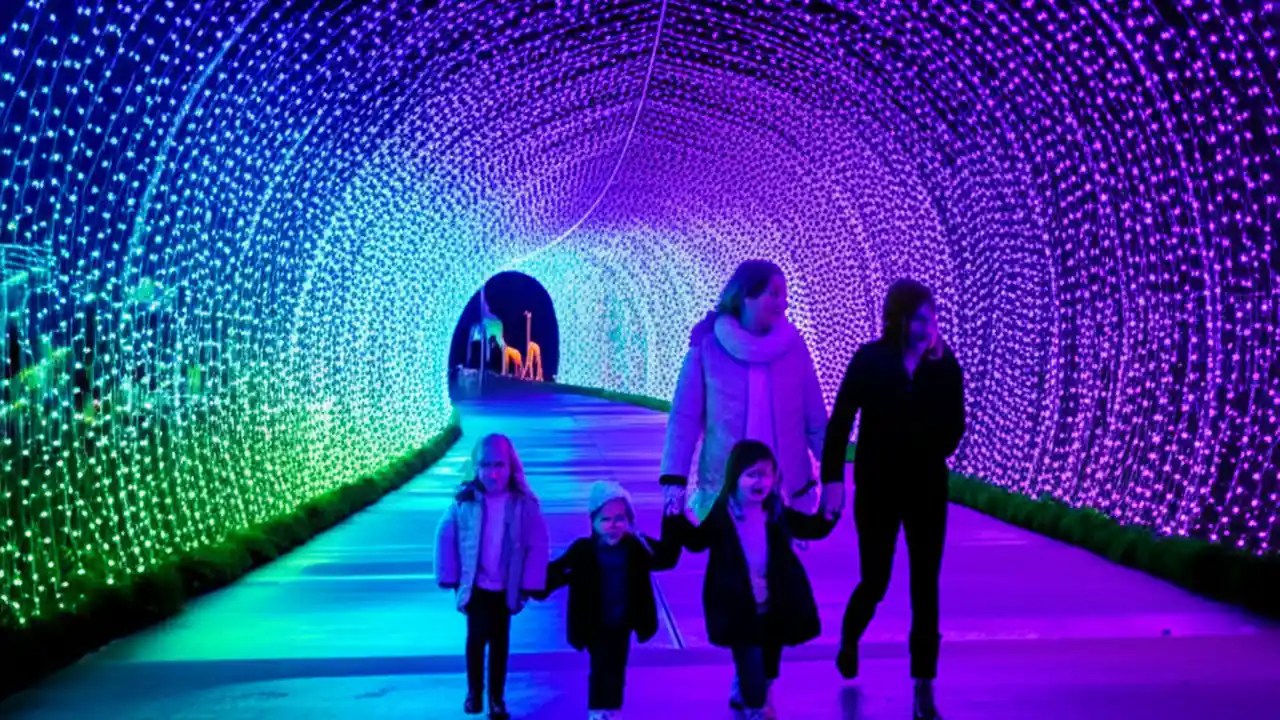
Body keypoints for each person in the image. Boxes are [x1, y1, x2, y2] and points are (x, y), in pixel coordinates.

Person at [818, 279, 966, 720]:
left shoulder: (944, 366)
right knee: (876, 580)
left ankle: (924, 685)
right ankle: (850, 635)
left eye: (933, 318)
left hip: (926, 487)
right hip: (878, 486)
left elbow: (956, 426)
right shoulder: (871, 360)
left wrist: (928, 439)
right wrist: (832, 480)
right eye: (921, 318)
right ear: (900, 319)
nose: (929, 326)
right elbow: (841, 420)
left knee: (926, 584)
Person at [665, 440, 836, 720]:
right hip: (737, 606)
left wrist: (829, 514)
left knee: (768, 665)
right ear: (736, 478)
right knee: (751, 664)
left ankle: (748, 691)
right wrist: (674, 518)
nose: (760, 481)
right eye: (752, 474)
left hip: (773, 604)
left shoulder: (776, 513)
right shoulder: (723, 515)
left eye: (766, 473)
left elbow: (808, 527)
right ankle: (756, 708)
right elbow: (697, 541)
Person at [659, 259, 829, 520]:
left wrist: (832, 478)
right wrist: (674, 481)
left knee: (779, 560)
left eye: (785, 295)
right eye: (773, 293)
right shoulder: (708, 347)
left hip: (786, 489)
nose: (783, 303)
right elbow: (685, 418)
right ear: (746, 295)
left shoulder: (794, 347)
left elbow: (815, 418)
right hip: (726, 489)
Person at [536, 480, 682, 720]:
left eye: (619, 518)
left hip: (622, 622)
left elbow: (665, 558)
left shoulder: (636, 547)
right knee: (601, 667)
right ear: (593, 522)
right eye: (605, 519)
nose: (613, 525)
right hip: (594, 623)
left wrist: (673, 513)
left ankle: (611, 711)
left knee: (616, 669)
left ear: (629, 520)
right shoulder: (583, 550)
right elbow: (557, 573)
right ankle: (597, 711)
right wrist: (528, 582)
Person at [435, 433, 550, 720]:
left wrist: (531, 582)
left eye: (500, 465)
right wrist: (449, 576)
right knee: (475, 639)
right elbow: (445, 535)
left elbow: (538, 542)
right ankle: (474, 691)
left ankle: (496, 698)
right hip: (476, 584)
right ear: (476, 467)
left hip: (505, 586)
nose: (493, 473)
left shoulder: (523, 504)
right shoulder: (466, 501)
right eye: (486, 465)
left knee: (500, 643)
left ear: (511, 467)